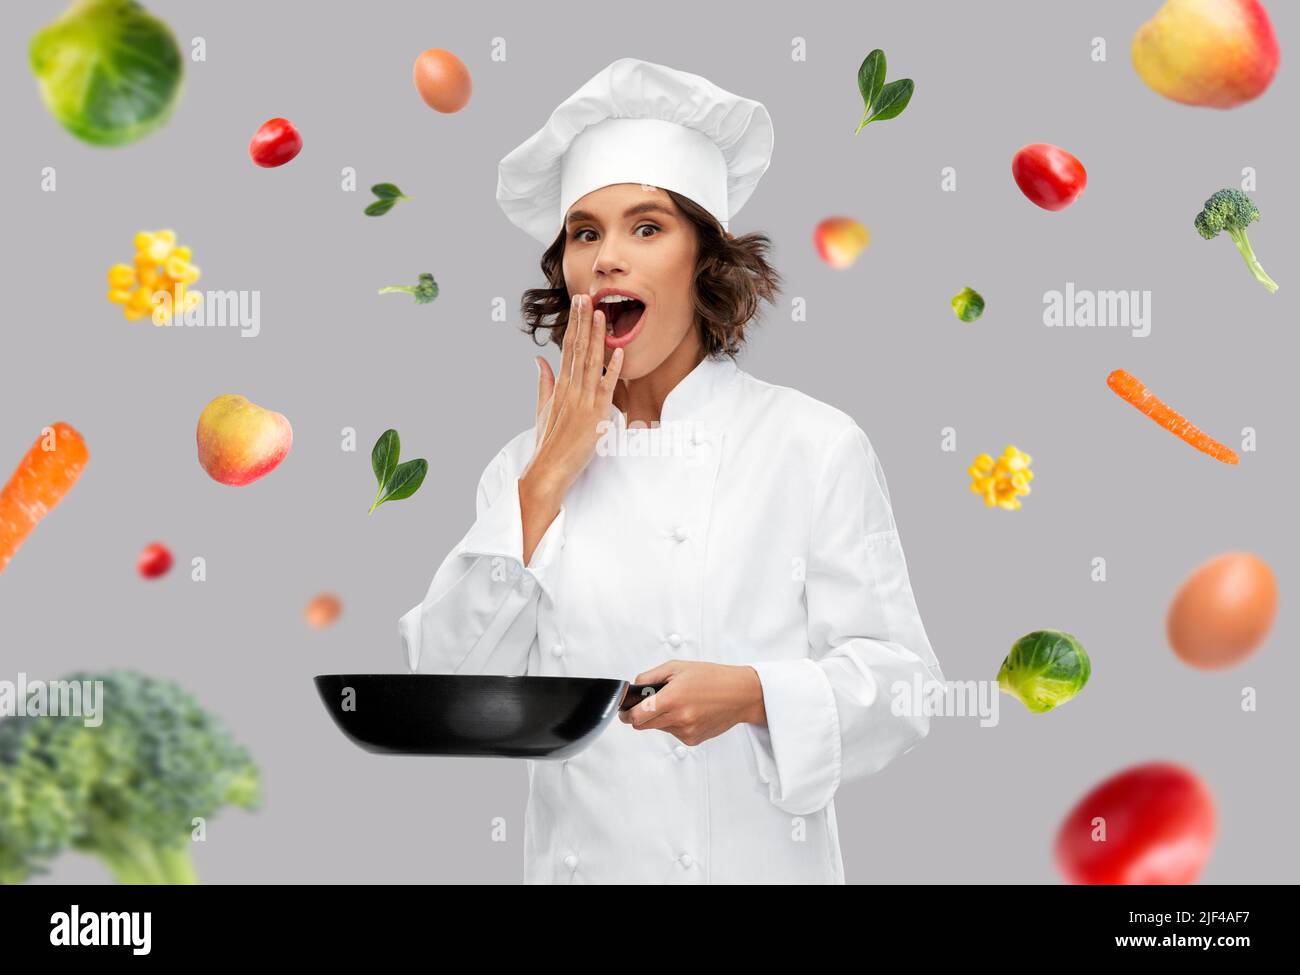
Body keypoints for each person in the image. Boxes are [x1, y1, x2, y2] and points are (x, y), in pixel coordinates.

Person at [399, 57, 944, 884]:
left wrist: (754, 692)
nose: (608, 257)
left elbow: (903, 690)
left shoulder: (811, 443)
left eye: (646, 228)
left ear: (705, 262)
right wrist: (550, 474)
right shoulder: (521, 469)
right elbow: (445, 688)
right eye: (586, 233)